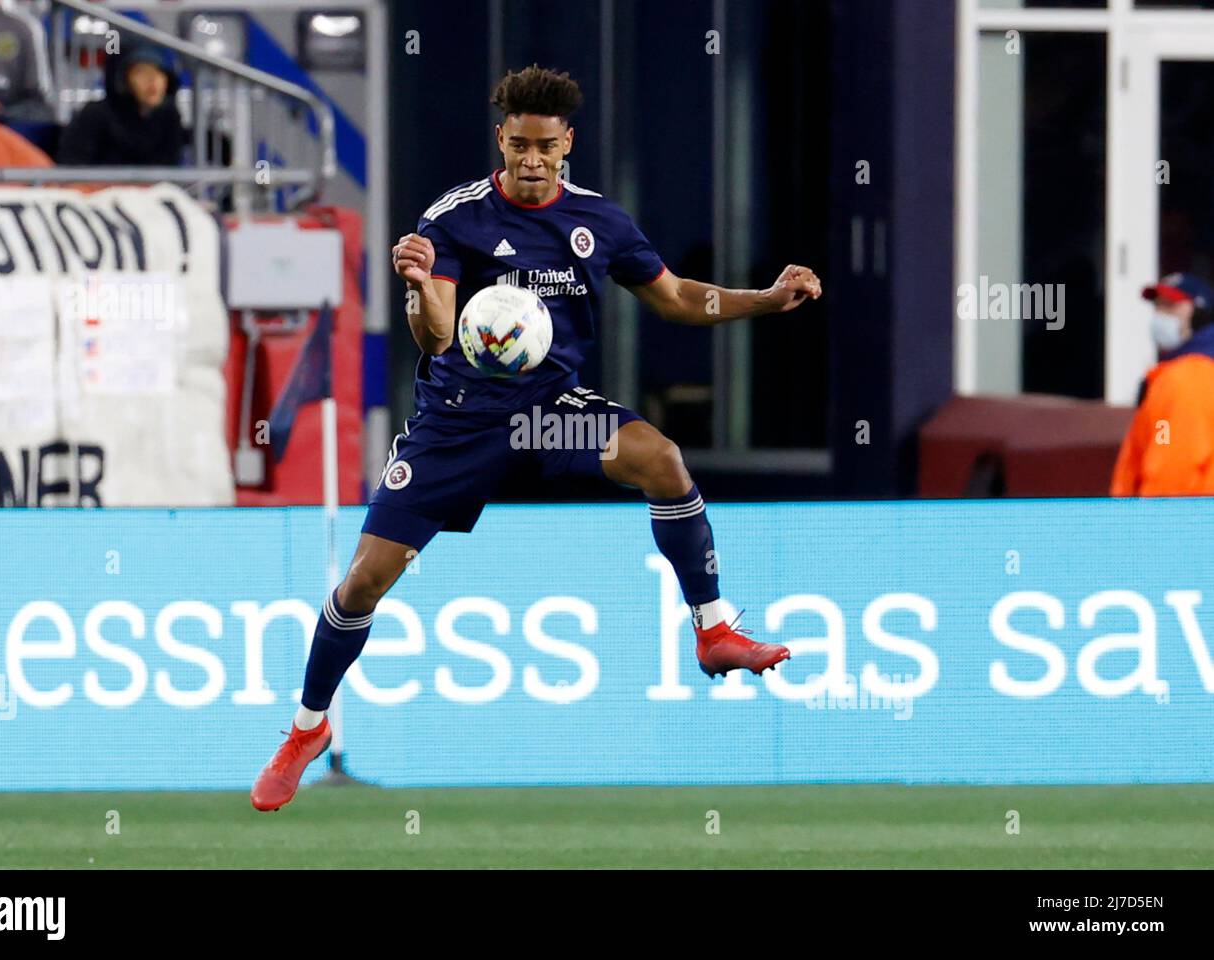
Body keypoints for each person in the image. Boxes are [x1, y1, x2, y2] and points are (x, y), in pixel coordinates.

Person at [250, 65, 823, 811]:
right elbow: (437, 332)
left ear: (566, 144)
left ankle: (713, 629)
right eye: (518, 144)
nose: (530, 160)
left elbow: (679, 297)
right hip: (458, 418)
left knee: (661, 459)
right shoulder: (454, 220)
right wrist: (422, 286)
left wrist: (768, 299)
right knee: (363, 581)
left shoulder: (601, 222)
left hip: (550, 408)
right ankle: (307, 729)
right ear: (501, 139)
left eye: (544, 147)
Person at [1110, 272, 1214, 496]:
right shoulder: (1185, 372)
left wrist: (1153, 525)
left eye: (1171, 307)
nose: (1160, 315)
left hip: (1179, 522)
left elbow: (1172, 465)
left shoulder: (1186, 379)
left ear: (1199, 314)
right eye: (1158, 306)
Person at [56, 42, 185, 167]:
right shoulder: (95, 115)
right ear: (122, 80)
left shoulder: (169, 117)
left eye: (159, 71)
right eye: (140, 71)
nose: (153, 79)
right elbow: (73, 169)